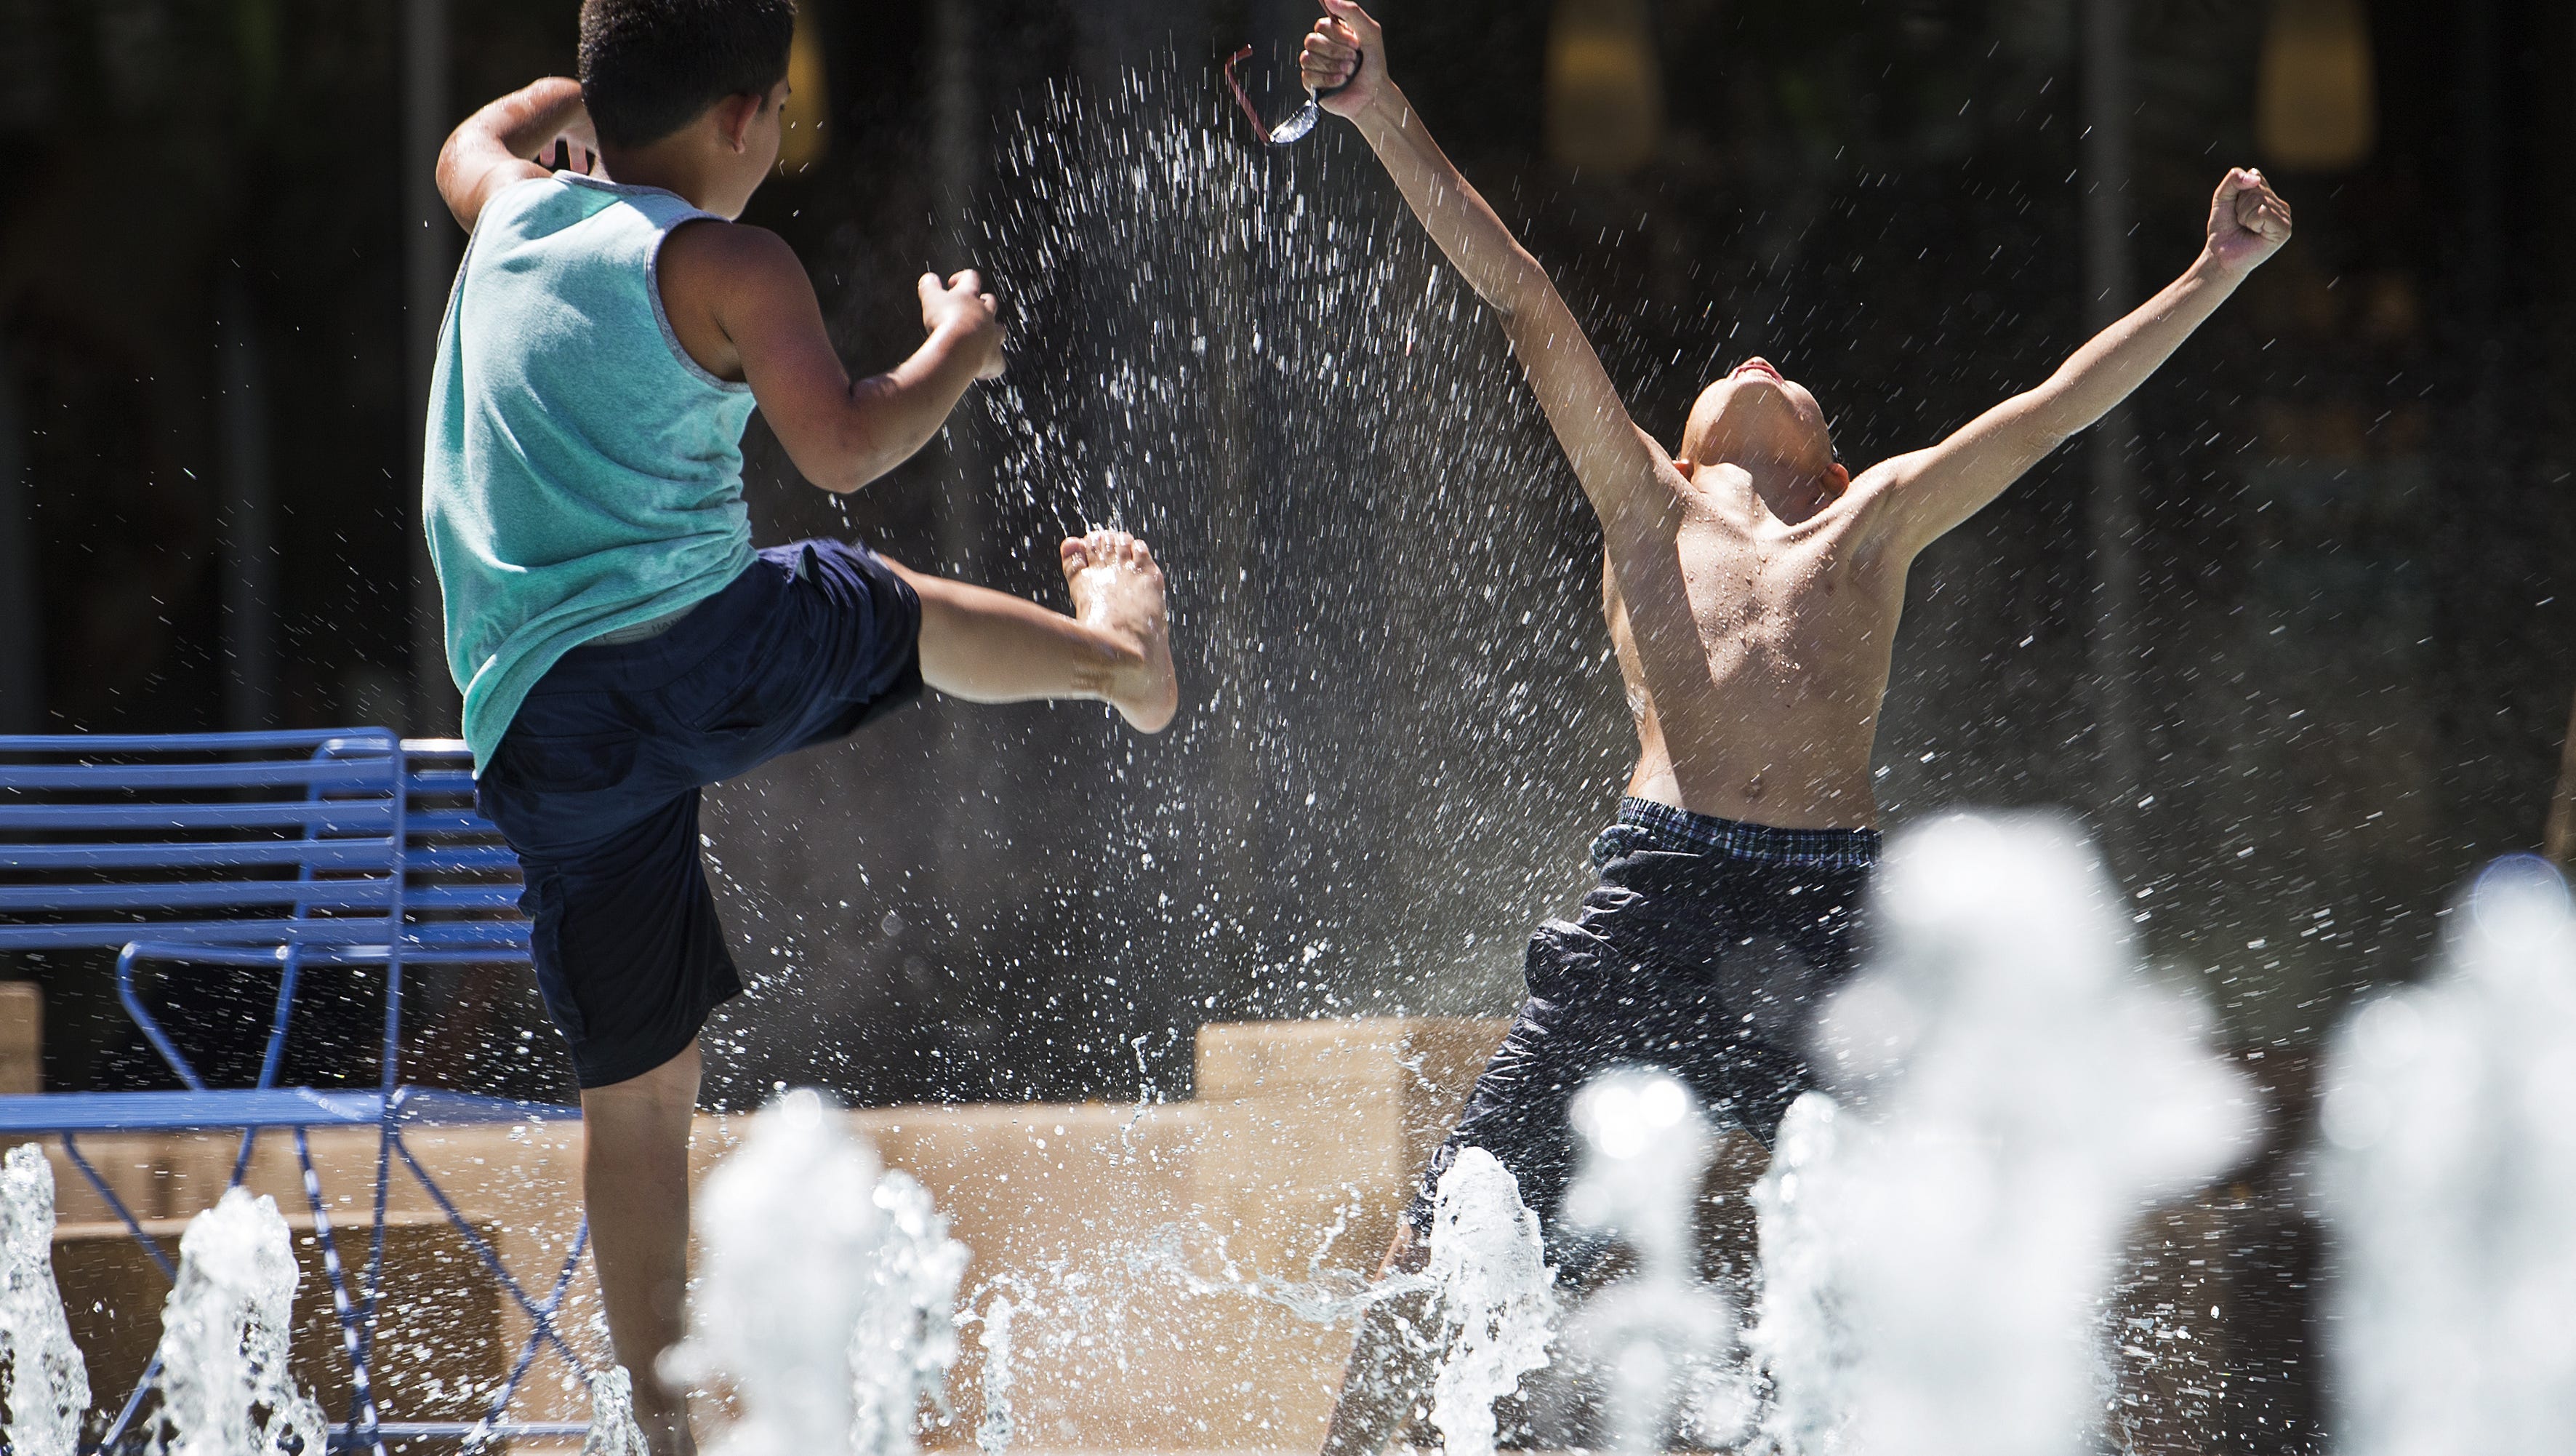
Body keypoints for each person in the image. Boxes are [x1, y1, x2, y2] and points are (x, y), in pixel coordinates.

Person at [1290, 2, 2292, 1447]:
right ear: (1690, 441)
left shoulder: (1871, 524)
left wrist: (2214, 268)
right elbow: (1517, 292)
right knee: (1452, 1239)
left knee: (1938, 1253)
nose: (1755, 356)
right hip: (1651, 901)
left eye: (1787, 384)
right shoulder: (1642, 497)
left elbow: (2054, 408)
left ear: (1828, 456)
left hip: (1828, 921)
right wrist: (1380, 107)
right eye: (1729, 379)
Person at [425, 2, 1178, 1448]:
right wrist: (956, 344)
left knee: (634, 1102)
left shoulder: (507, 205)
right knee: (868, 595)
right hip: (694, 652)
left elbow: (473, 140)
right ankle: (1116, 662)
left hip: (537, 727)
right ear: (742, 116)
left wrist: (542, 106)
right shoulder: (722, 259)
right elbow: (841, 444)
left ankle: (659, 1429)